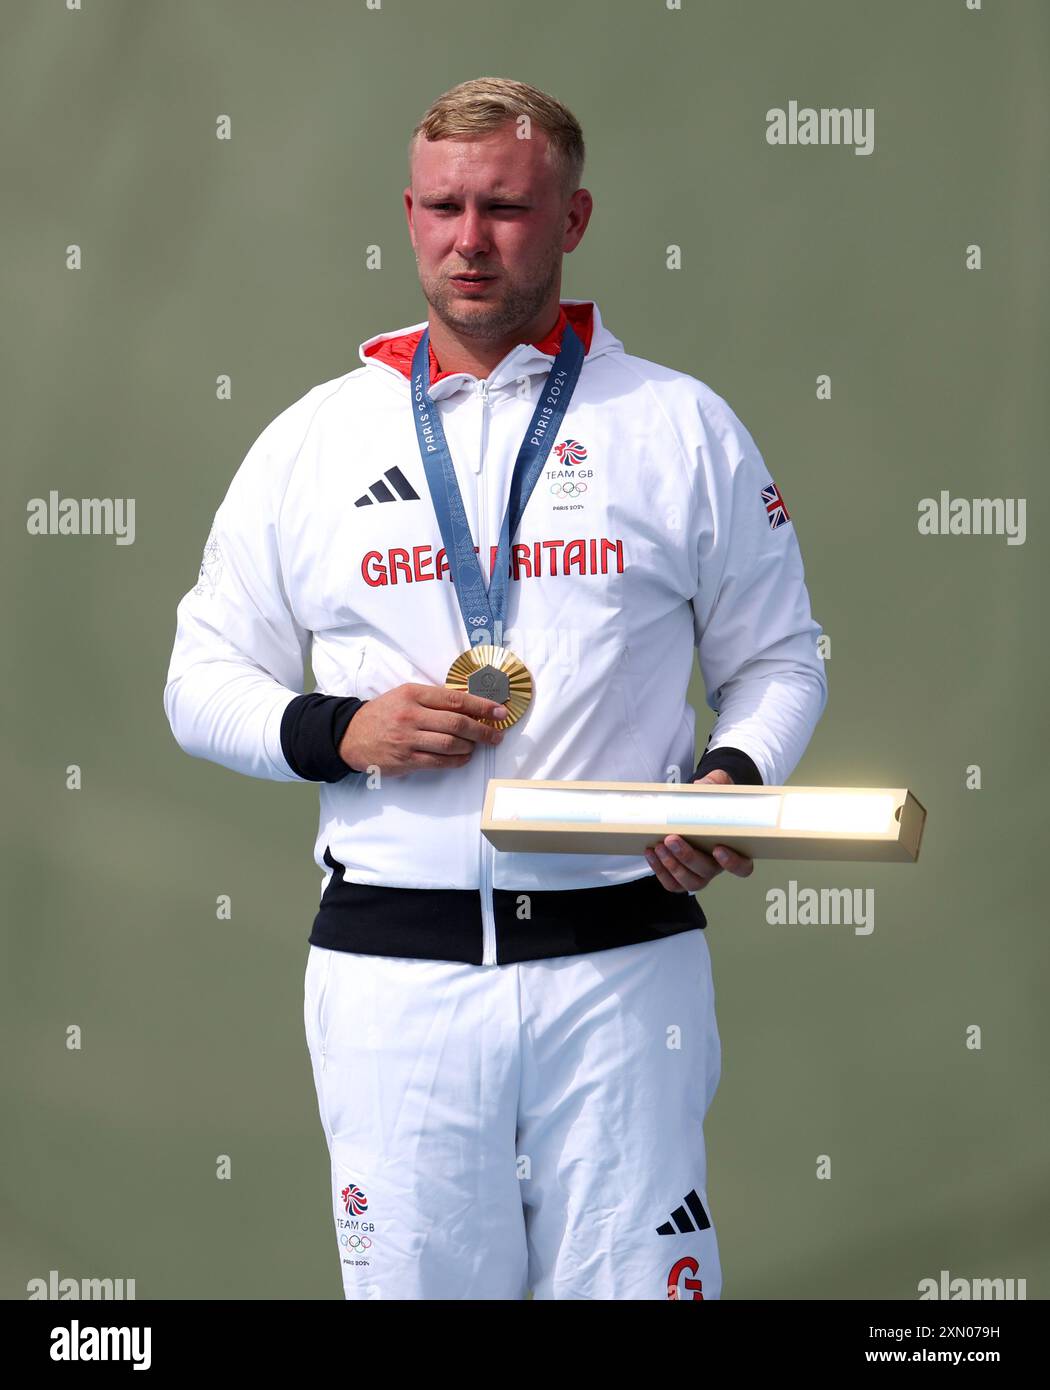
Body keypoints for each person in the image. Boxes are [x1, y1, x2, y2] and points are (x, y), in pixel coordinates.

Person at [163, 76, 828, 1301]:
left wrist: (730, 784)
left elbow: (782, 658)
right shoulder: (315, 439)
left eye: (508, 209)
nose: (472, 240)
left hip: (622, 970)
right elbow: (198, 679)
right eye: (445, 207)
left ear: (572, 220)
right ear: (408, 214)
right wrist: (338, 729)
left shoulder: (678, 426)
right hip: (392, 983)